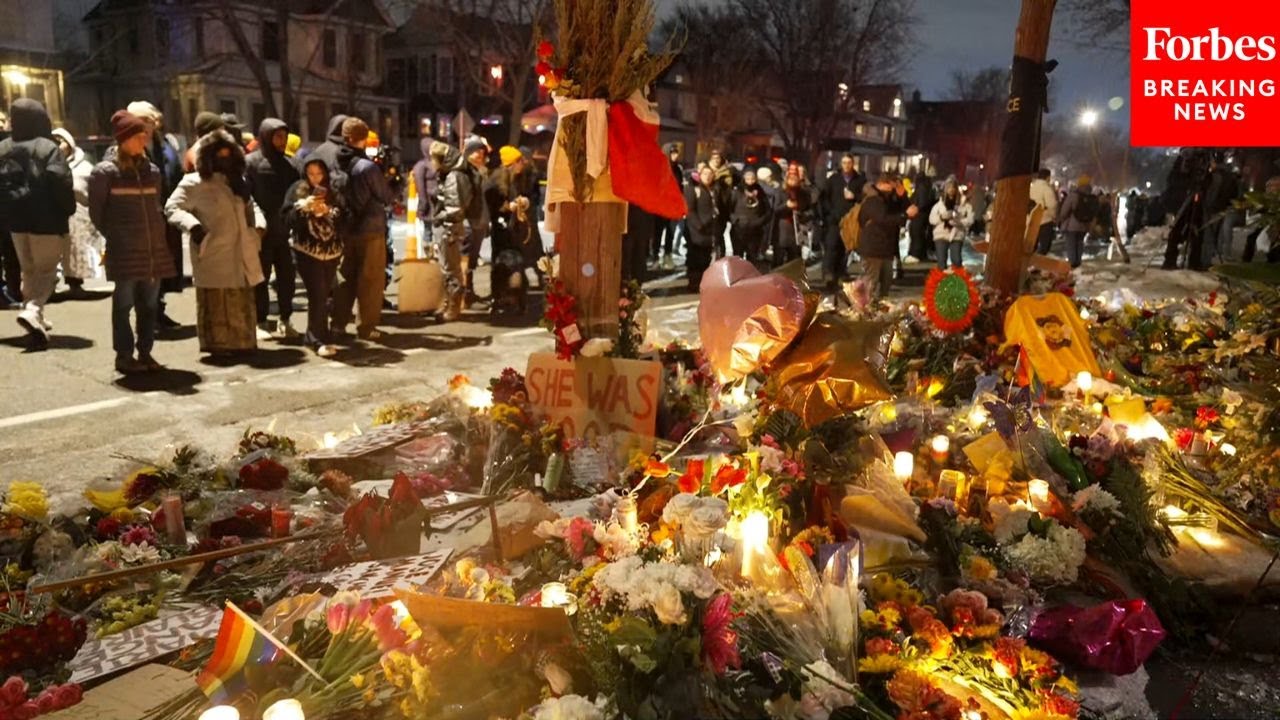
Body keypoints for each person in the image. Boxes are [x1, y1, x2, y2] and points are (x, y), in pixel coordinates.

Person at [88, 110, 177, 373]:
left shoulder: (152, 171)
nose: (144, 141)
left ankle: (146, 353)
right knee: (123, 305)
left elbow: (155, 207)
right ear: (124, 139)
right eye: (139, 136)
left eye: (145, 135)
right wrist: (117, 236)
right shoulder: (105, 172)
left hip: (153, 251)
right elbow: (98, 213)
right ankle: (124, 356)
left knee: (149, 306)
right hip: (125, 251)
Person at [164, 129, 266, 356]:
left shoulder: (238, 182)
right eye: (218, 155)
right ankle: (218, 345)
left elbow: (251, 206)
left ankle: (243, 342)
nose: (224, 160)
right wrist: (194, 227)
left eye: (228, 154)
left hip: (241, 249)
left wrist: (258, 227)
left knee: (240, 297)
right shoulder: (194, 183)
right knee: (216, 301)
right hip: (213, 251)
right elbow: (172, 208)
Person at [0, 99, 75, 349]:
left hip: (14, 221)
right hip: (45, 220)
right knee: (48, 272)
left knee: (29, 269)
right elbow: (60, 180)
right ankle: (33, 310)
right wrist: (67, 209)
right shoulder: (47, 148)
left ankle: (35, 316)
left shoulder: (3, 147)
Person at [331, 117, 393, 341]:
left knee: (346, 276)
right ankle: (366, 327)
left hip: (347, 228)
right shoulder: (366, 166)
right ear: (364, 137)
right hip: (370, 229)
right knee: (370, 280)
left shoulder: (337, 161)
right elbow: (385, 196)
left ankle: (338, 324)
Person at [127, 101, 186, 330]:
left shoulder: (164, 144)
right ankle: (146, 315)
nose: (148, 126)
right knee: (145, 270)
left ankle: (158, 309)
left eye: (151, 121)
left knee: (162, 267)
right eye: (143, 121)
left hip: (165, 214)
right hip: (143, 217)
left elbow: (175, 173)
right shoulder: (129, 147)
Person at [244, 118, 300, 339]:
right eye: (277, 136)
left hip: (285, 231)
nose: (282, 141)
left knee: (287, 278)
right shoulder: (251, 163)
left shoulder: (292, 165)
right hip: (262, 232)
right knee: (261, 278)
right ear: (266, 136)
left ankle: (285, 319)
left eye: (284, 137)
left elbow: (298, 194)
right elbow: (246, 197)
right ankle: (260, 320)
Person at [284, 158, 346, 357]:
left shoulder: (332, 192)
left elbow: (345, 217)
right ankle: (315, 339)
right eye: (311, 174)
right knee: (317, 294)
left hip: (331, 252)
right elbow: (286, 219)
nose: (315, 178)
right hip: (307, 252)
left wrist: (328, 211)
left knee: (327, 293)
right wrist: (303, 208)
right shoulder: (297, 189)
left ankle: (322, 333)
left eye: (319, 173)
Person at [51, 127, 99, 299]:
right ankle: (50, 286)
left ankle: (75, 284)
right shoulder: (49, 165)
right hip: (55, 215)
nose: (58, 146)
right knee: (54, 253)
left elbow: (92, 190)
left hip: (79, 215)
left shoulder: (84, 166)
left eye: (61, 141)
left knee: (76, 249)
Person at [429, 140, 473, 321]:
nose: (432, 163)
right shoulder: (449, 174)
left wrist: (440, 219)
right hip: (448, 228)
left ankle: (453, 307)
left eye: (433, 159)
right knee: (448, 267)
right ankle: (449, 303)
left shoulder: (453, 177)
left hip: (450, 229)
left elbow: (455, 208)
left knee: (451, 269)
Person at [483, 146, 536, 297]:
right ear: (511, 163)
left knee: (516, 260)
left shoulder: (517, 178)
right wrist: (506, 207)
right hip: (501, 227)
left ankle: (515, 293)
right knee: (501, 261)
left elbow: (525, 195)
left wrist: (524, 202)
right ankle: (499, 293)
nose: (523, 163)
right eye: (519, 161)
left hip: (513, 227)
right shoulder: (496, 180)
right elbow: (490, 201)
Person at [858, 177, 918, 299]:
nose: (892, 189)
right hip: (873, 249)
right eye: (890, 185)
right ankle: (865, 311)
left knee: (886, 283)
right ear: (881, 184)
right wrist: (905, 215)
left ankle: (879, 309)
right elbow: (884, 219)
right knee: (871, 283)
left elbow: (904, 210)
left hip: (886, 249)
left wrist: (903, 196)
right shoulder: (873, 199)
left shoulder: (888, 200)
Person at [818, 154, 863, 287]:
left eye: (849, 162)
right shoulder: (834, 179)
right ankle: (828, 273)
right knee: (832, 246)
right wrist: (830, 214)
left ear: (853, 163)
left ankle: (840, 273)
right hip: (834, 219)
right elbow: (825, 198)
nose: (846, 165)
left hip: (850, 220)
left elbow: (863, 198)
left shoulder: (859, 180)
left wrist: (854, 196)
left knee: (845, 248)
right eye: (844, 163)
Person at [461, 138, 490, 305]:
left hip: (480, 220)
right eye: (476, 151)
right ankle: (464, 293)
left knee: (472, 260)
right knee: (464, 258)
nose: (480, 154)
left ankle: (470, 290)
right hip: (469, 221)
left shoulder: (482, 171)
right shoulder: (465, 172)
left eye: (482, 151)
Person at [684, 166, 718, 291]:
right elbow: (690, 210)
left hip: (709, 231)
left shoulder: (713, 190)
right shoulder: (693, 189)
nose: (708, 176)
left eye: (710, 174)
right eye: (705, 174)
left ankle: (702, 283)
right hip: (696, 230)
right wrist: (699, 225)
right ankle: (693, 283)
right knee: (695, 258)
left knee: (705, 258)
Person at [928, 179, 973, 270]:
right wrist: (941, 217)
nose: (951, 190)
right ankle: (941, 281)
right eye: (949, 187)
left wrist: (959, 221)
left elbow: (970, 219)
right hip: (941, 234)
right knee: (941, 262)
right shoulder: (939, 205)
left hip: (956, 234)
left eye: (953, 187)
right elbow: (931, 219)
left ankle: (957, 281)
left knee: (956, 260)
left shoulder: (964, 205)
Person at [774, 165, 813, 267]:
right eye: (790, 178)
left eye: (795, 178)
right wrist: (786, 206)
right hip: (782, 229)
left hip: (797, 230)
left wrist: (802, 214)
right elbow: (775, 210)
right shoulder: (781, 191)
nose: (792, 180)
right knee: (779, 260)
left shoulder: (804, 193)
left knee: (794, 261)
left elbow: (810, 210)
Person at [730, 169, 771, 264]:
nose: (750, 181)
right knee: (737, 258)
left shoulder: (761, 193)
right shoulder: (738, 192)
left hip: (755, 230)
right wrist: (736, 220)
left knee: (752, 258)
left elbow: (767, 210)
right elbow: (730, 209)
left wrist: (760, 221)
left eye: (752, 179)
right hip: (739, 230)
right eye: (748, 179)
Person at [653, 143, 684, 270]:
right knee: (658, 232)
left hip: (672, 205)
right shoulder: (659, 168)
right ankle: (655, 256)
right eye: (672, 153)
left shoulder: (678, 169)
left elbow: (680, 186)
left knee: (670, 232)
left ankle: (668, 255)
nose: (675, 156)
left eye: (677, 153)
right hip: (660, 205)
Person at [1056, 175, 1097, 269]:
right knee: (1079, 243)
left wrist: (1060, 219)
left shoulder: (1073, 195)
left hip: (1072, 225)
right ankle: (1078, 263)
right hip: (1084, 225)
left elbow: (1064, 211)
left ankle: (1072, 264)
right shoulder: (1091, 196)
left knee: (1071, 244)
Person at [410, 136, 438, 250]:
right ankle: (429, 254)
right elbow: (420, 187)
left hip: (439, 203)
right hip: (429, 203)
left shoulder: (438, 162)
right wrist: (423, 204)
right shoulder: (421, 166)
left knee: (438, 233)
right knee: (428, 232)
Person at [707, 150, 735, 257]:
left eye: (718, 158)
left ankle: (720, 256)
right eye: (714, 158)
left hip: (723, 208)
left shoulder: (727, 173)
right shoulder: (706, 172)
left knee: (719, 234)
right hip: (708, 207)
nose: (716, 160)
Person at [906, 166, 936, 262]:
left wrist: (916, 208)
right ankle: (919, 254)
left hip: (919, 215)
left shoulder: (922, 187)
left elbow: (922, 202)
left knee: (916, 234)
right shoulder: (927, 187)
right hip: (922, 215)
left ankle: (915, 254)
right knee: (919, 234)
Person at [1029, 167, 1058, 255]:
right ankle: (1038, 264)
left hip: (1031, 220)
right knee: (1044, 246)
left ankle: (1029, 263)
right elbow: (1052, 205)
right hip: (1045, 220)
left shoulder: (1031, 187)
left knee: (1031, 244)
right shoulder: (1046, 188)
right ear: (1048, 177)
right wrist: (1053, 217)